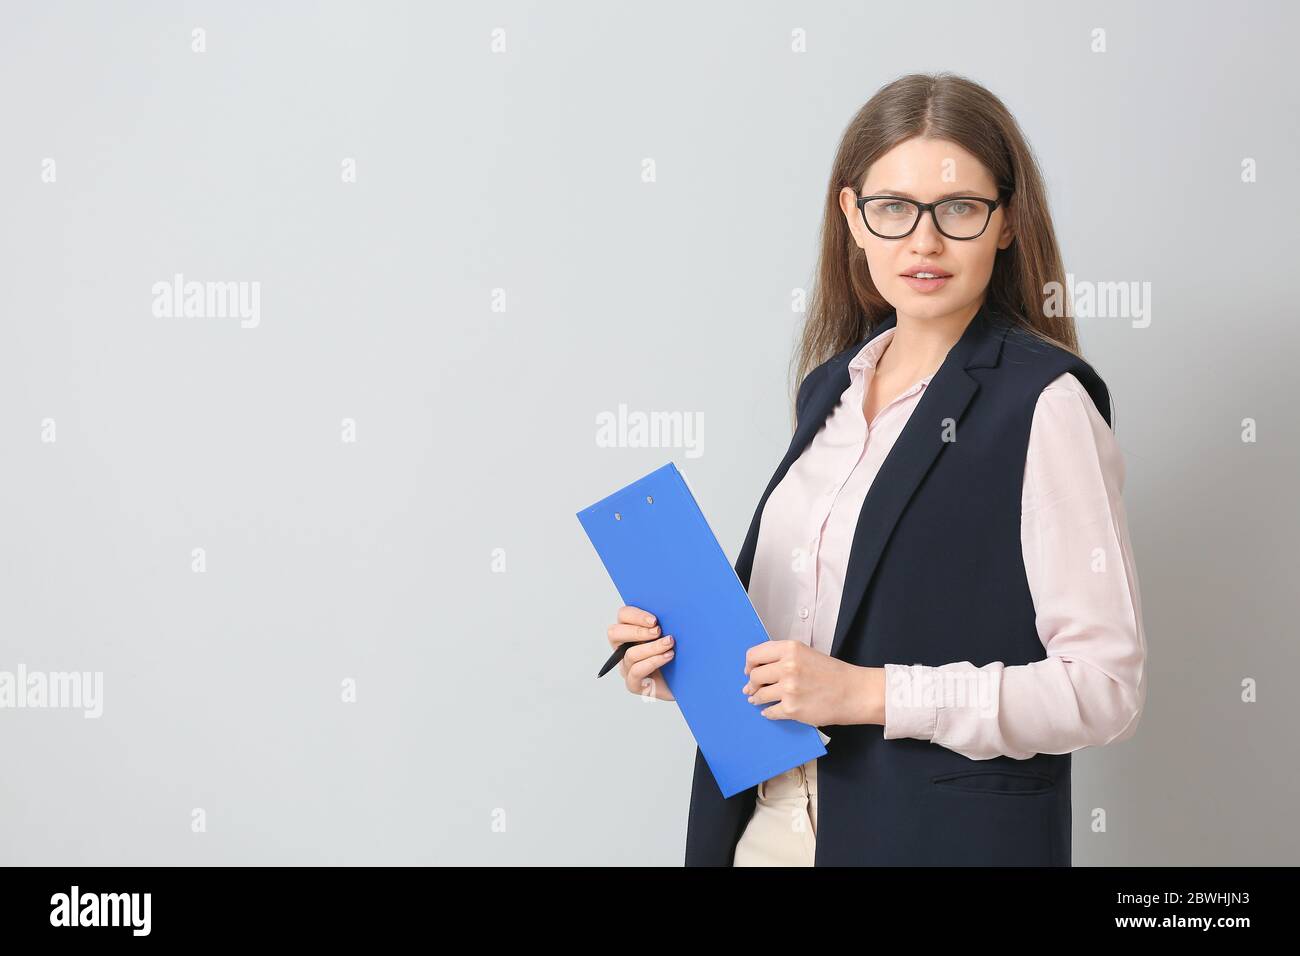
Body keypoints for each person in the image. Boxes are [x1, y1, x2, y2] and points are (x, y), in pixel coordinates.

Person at [602, 71, 1146, 866]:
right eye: (893, 209)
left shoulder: (1045, 403)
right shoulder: (829, 387)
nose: (923, 242)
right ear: (852, 216)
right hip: (761, 830)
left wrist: (870, 693)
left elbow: (1105, 690)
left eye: (958, 208)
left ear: (1006, 221)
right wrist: (680, 660)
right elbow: (801, 643)